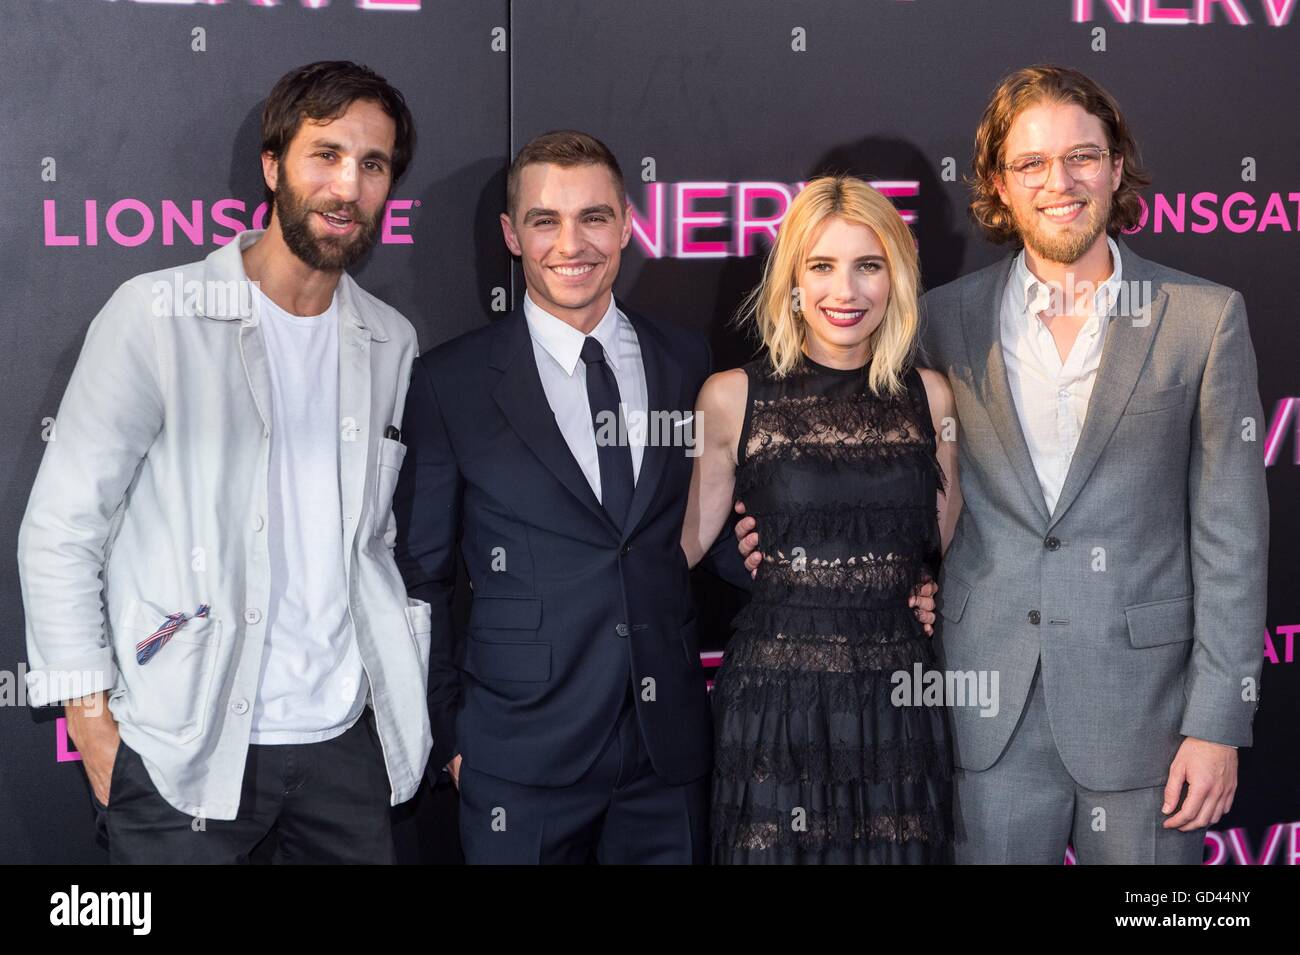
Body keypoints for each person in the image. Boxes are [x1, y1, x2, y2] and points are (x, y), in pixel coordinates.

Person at [738, 65, 1268, 864]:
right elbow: (875, 459)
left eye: (1082, 157)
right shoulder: (943, 320)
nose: (1061, 182)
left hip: (1150, 726)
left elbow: (1234, 537)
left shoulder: (1202, 319)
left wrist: (1217, 722)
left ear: (1116, 167)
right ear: (998, 183)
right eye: (1031, 164)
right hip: (981, 713)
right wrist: (794, 541)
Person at [18, 61, 431, 863]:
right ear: (273, 166)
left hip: (345, 744)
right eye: (326, 153)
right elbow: (63, 528)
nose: (347, 184)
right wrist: (90, 720)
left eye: (373, 164)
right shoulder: (155, 316)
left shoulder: (392, 341)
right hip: (187, 745)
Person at [683, 175, 959, 864]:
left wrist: (933, 592)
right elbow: (680, 545)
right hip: (776, 705)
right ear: (793, 278)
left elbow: (945, 548)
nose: (846, 291)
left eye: (868, 265)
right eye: (823, 265)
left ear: (894, 274)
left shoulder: (930, 397)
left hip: (899, 702)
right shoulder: (731, 397)